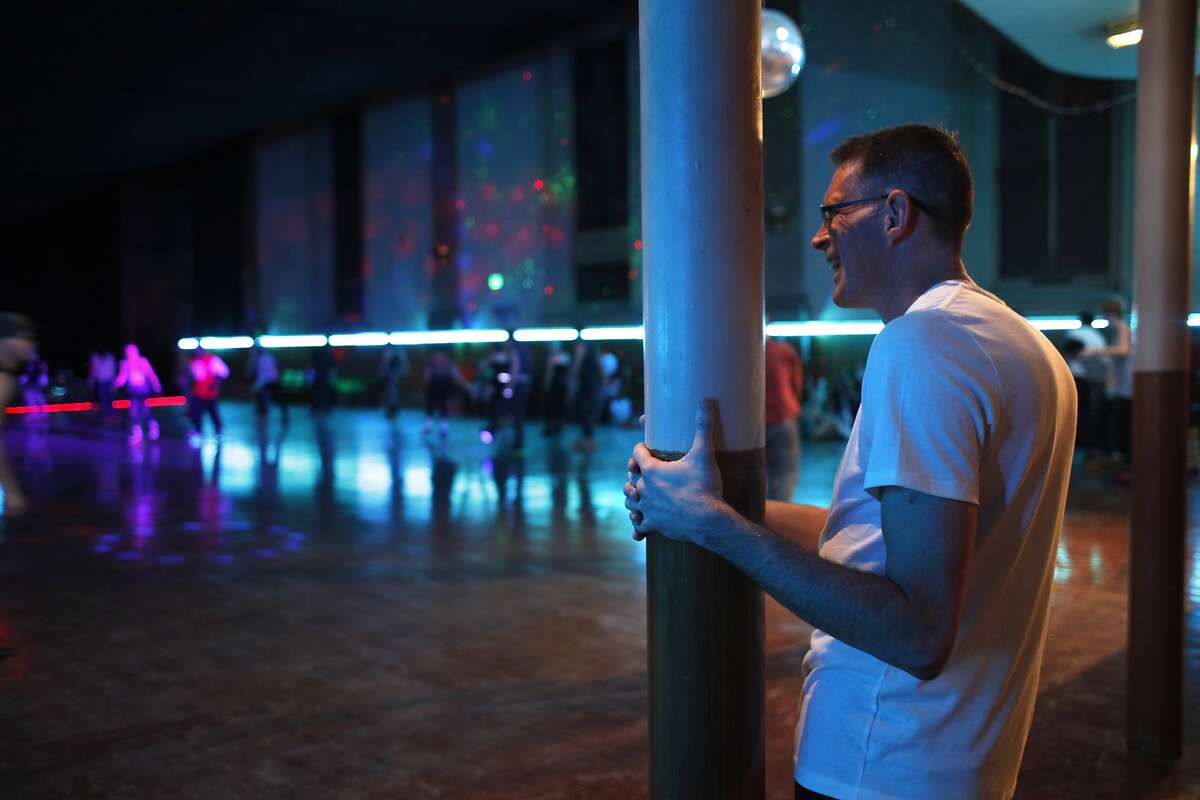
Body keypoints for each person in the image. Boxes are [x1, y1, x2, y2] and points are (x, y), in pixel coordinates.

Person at [623, 125, 1076, 800]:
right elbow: (881, 541)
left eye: (833, 213)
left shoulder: (922, 344)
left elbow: (917, 633)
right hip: (966, 758)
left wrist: (715, 529)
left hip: (882, 758)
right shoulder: (1025, 347)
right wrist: (715, 505)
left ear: (895, 214)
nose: (818, 236)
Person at [0, 313, 36, 514]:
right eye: (23, 337)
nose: (30, 344)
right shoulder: (2, 380)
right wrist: (11, 490)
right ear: (4, 341)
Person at [764, 330, 804, 501]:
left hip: (751, 426)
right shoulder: (783, 351)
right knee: (784, 474)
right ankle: (777, 519)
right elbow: (797, 384)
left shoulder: (738, 353)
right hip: (782, 417)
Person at [1063, 311, 1107, 459]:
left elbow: (1067, 353)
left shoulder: (1074, 333)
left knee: (1073, 412)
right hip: (1092, 381)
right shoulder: (1098, 337)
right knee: (1089, 414)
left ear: (1080, 321)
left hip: (1074, 378)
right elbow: (1103, 362)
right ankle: (1088, 446)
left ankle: (1073, 445)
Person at [114, 343, 163, 444]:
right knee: (134, 412)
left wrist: (156, 384)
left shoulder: (142, 361)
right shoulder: (125, 363)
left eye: (132, 351)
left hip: (143, 390)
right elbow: (123, 376)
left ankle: (153, 427)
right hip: (133, 391)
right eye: (128, 351)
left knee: (145, 411)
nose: (130, 353)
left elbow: (150, 373)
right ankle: (137, 434)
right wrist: (117, 383)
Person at [422, 346, 470, 437]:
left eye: (440, 356)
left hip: (443, 391)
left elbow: (457, 376)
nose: (438, 358)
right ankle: (428, 426)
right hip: (432, 391)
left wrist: (466, 385)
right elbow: (427, 378)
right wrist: (426, 387)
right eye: (436, 356)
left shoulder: (449, 365)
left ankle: (443, 427)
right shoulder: (431, 365)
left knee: (443, 407)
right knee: (430, 407)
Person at [568, 340, 603, 453]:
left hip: (586, 385)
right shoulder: (594, 350)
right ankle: (588, 442)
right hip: (594, 385)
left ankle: (588, 443)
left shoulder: (581, 347)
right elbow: (600, 367)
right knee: (589, 413)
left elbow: (577, 365)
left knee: (584, 413)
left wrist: (572, 378)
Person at [188, 347, 229, 443]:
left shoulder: (213, 359)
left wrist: (216, 383)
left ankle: (218, 431)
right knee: (196, 412)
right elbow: (194, 376)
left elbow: (224, 372)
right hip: (198, 392)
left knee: (213, 413)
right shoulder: (194, 362)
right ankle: (198, 432)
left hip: (210, 393)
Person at [248, 342, 288, 425]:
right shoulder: (269, 357)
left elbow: (262, 374)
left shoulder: (260, 359)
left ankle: (263, 416)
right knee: (276, 398)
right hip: (273, 380)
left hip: (267, 381)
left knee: (263, 399)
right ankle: (283, 414)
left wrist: (256, 386)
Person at [379, 344, 410, 419]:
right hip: (389, 375)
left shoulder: (399, 350)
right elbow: (385, 362)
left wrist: (404, 371)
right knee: (390, 391)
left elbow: (403, 361)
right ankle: (391, 408)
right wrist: (382, 371)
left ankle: (393, 408)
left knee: (393, 391)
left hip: (395, 375)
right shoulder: (388, 350)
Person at [89, 348, 118, 421]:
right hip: (104, 380)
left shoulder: (106, 356)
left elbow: (94, 369)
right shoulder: (97, 356)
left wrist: (91, 380)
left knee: (106, 399)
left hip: (105, 380)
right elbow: (94, 369)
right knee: (107, 399)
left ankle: (110, 416)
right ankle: (110, 415)